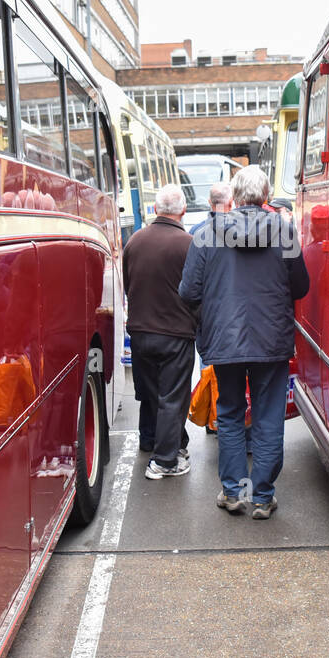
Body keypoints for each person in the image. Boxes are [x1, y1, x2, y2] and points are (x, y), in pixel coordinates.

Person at [179, 165, 308, 518]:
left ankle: (234, 491)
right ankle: (262, 496)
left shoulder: (207, 234)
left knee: (231, 414)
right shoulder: (284, 232)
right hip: (272, 340)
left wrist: (212, 314)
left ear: (234, 197)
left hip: (226, 341)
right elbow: (301, 287)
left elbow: (188, 291)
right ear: (265, 196)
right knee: (268, 417)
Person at [123, 183, 197, 479]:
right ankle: (165, 461)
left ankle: (152, 440)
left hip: (140, 331)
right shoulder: (189, 244)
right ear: (183, 210)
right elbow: (196, 292)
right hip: (175, 333)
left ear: (155, 209)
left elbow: (128, 285)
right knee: (172, 397)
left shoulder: (135, 241)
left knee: (152, 392)